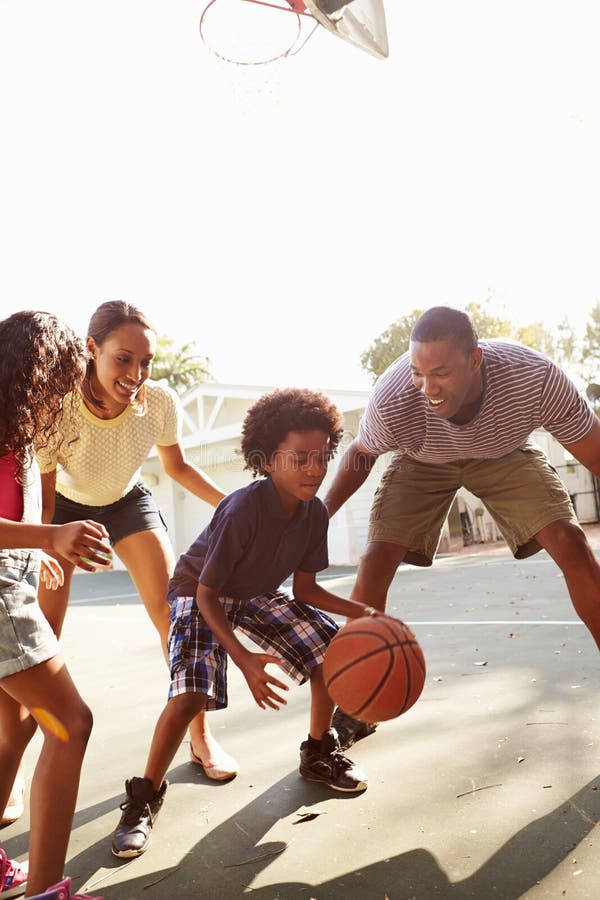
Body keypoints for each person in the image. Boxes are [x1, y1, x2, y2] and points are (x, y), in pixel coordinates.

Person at [110, 387, 379, 859]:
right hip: (199, 592)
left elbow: (305, 590)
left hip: (254, 593)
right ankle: (143, 797)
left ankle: (318, 751)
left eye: (322, 457)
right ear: (268, 459)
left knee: (329, 654)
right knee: (192, 693)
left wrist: (363, 613)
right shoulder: (242, 509)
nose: (315, 469)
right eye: (300, 458)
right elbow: (210, 596)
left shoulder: (315, 513)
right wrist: (245, 659)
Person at [323, 305, 600, 750]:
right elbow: (360, 454)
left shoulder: (534, 379)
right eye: (418, 372)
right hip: (422, 459)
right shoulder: (395, 396)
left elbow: (595, 452)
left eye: (441, 373)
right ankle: (353, 706)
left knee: (571, 542)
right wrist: (318, 518)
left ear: (476, 360)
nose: (427, 388)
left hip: (502, 452)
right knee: (375, 559)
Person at [35, 300, 239, 781]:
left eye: (145, 362)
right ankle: (13, 759)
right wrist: (46, 546)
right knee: (42, 633)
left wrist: (232, 504)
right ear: (92, 349)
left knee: (177, 615)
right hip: (62, 508)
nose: (136, 373)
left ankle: (200, 737)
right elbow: (43, 501)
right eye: (123, 358)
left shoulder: (159, 402)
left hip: (127, 502)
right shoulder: (58, 405)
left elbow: (177, 468)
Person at [0, 310, 111, 899]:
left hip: (10, 577)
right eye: (64, 375)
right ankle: (46, 891)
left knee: (12, 727)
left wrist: (30, 551)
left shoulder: (20, 429)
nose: (70, 388)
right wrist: (48, 538)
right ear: (34, 371)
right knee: (70, 724)